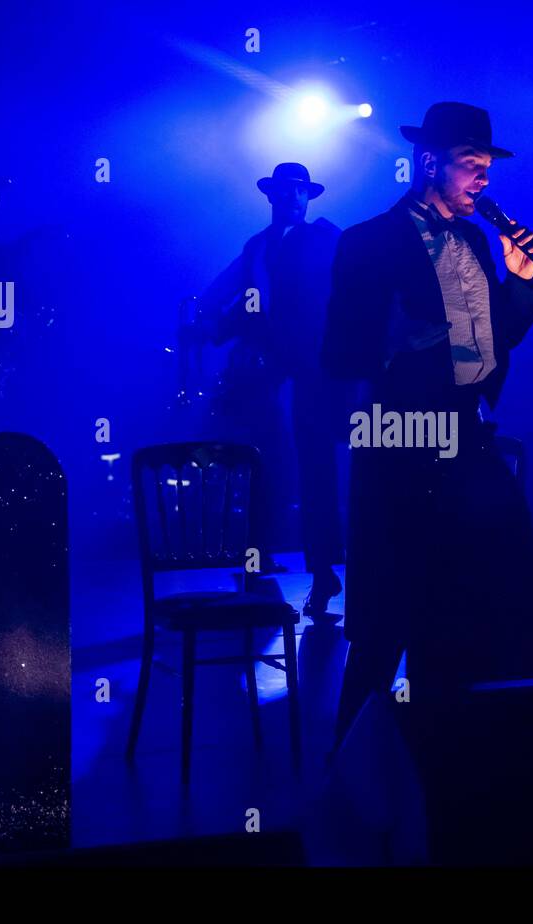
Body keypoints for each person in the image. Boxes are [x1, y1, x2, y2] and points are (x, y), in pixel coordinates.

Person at [323, 102, 533, 746]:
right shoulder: (367, 243)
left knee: (498, 593)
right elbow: (339, 354)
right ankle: (349, 778)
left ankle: (470, 755)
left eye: (486, 167)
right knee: (390, 614)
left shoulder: (478, 241)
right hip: (401, 443)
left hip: (465, 439)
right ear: (429, 162)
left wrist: (522, 283)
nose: (482, 179)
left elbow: (492, 343)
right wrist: (398, 343)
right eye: (469, 166)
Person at [197, 163, 344, 604]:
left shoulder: (325, 238)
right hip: (270, 372)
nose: (294, 198)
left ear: (308, 196)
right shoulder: (256, 247)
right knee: (263, 462)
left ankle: (321, 571)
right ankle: (258, 557)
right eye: (286, 191)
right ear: (271, 195)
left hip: (314, 369)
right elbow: (236, 298)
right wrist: (214, 327)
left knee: (315, 466)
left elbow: (345, 292)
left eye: (301, 191)